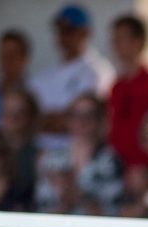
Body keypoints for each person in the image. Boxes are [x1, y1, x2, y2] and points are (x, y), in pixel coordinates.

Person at [29, 6, 114, 144]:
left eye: (69, 30)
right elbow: (28, 120)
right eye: (59, 30)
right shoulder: (43, 76)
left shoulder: (98, 71)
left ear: (86, 32)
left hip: (80, 158)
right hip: (45, 159)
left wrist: (52, 120)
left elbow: (88, 121)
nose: (62, 36)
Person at [35, 91, 123, 215]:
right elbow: (41, 208)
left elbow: (113, 212)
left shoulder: (110, 161)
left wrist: (77, 194)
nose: (81, 121)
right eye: (75, 115)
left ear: (99, 120)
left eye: (89, 115)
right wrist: (64, 199)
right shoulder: (51, 159)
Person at [107, 15, 148, 172]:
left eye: (121, 38)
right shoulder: (117, 85)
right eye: (114, 39)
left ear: (138, 41)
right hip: (116, 166)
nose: (115, 44)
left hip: (144, 169)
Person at [0, 88, 40, 210]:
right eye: (8, 112)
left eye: (20, 112)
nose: (13, 119)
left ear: (31, 118)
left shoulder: (40, 158)